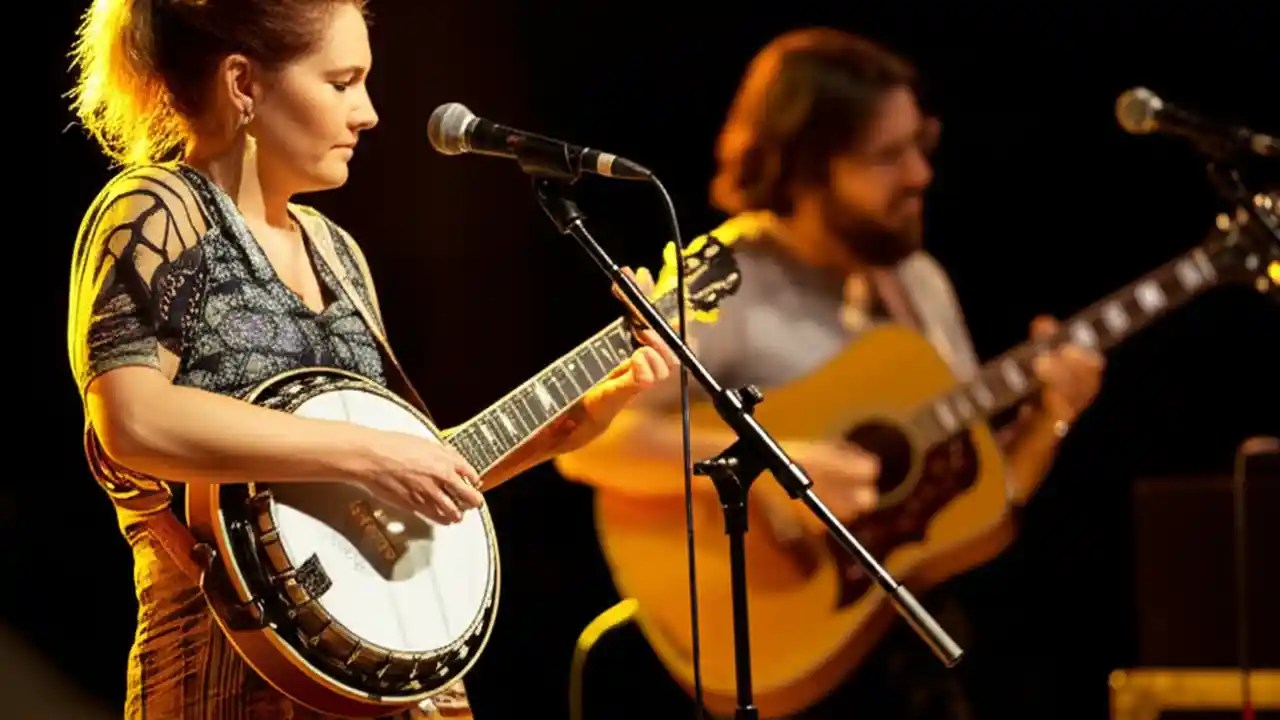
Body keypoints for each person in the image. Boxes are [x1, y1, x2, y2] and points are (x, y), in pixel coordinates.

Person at [63, 1, 678, 718]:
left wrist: (585, 411)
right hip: (226, 671)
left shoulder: (339, 254)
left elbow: (392, 484)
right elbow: (132, 419)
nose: (369, 114)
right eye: (343, 82)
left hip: (390, 680)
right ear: (244, 84)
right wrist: (367, 453)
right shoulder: (159, 209)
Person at [553, 27, 1105, 719]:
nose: (919, 175)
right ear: (807, 166)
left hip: (916, 660)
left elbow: (971, 507)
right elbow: (590, 443)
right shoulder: (726, 280)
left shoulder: (918, 283)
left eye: (919, 145)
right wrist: (777, 463)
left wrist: (1048, 418)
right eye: (887, 157)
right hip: (781, 645)